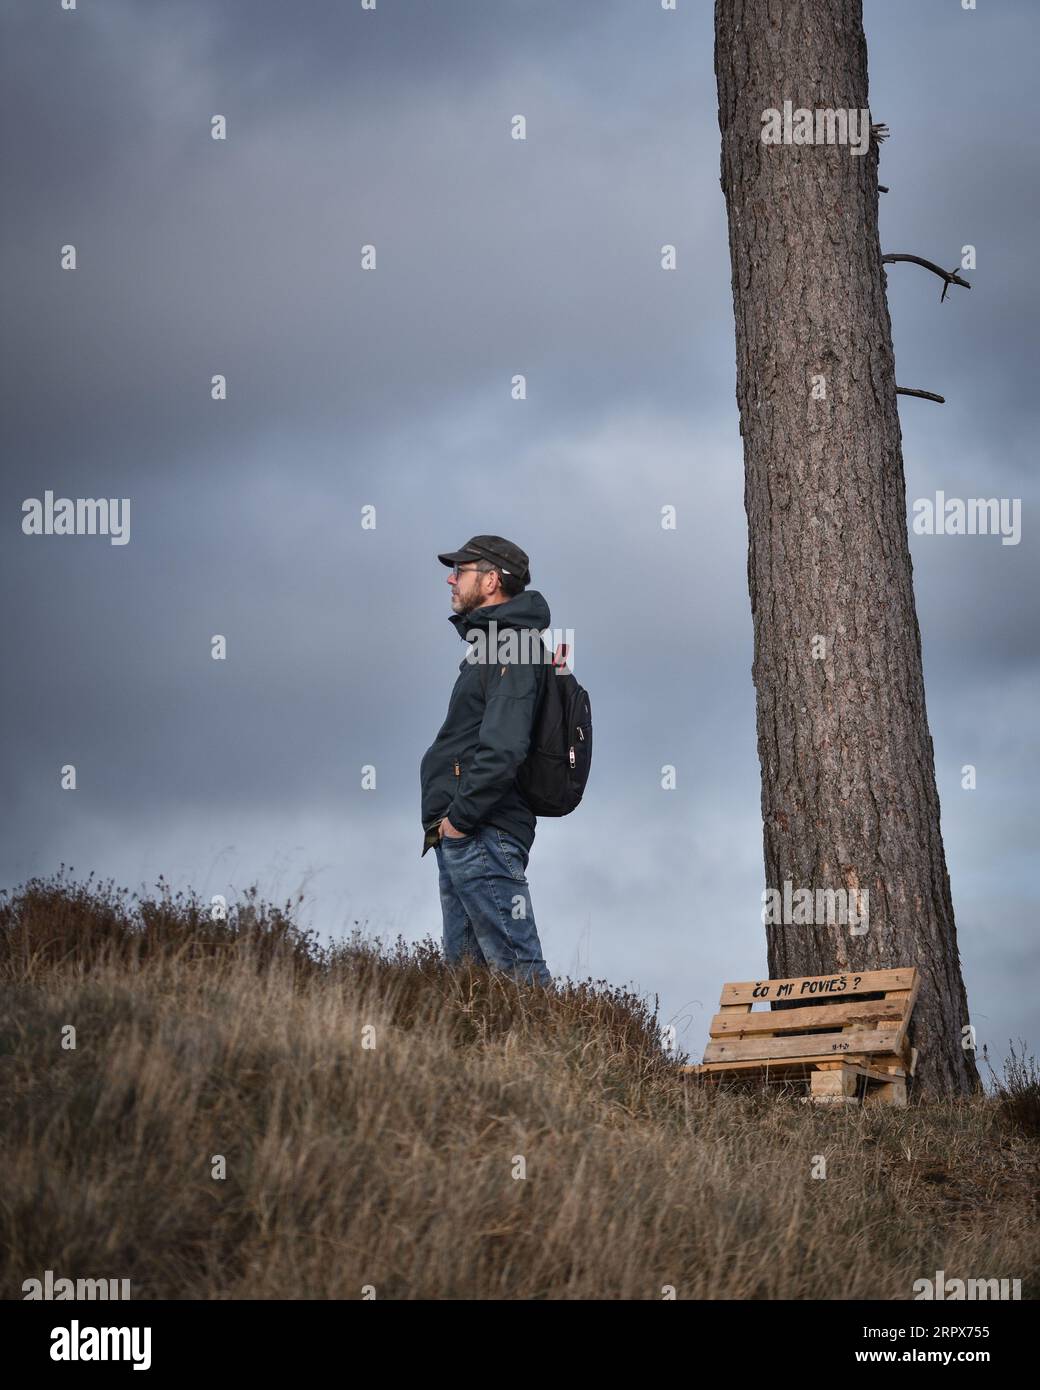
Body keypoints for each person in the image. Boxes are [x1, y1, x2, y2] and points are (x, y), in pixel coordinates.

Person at [420, 535, 552, 988]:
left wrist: (460, 820)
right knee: (469, 986)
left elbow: (504, 748)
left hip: (482, 832)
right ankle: (482, 1060)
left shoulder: (511, 645)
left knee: (519, 976)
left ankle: (549, 1057)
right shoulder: (496, 645)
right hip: (468, 834)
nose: (451, 579)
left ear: (492, 580)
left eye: (462, 571)